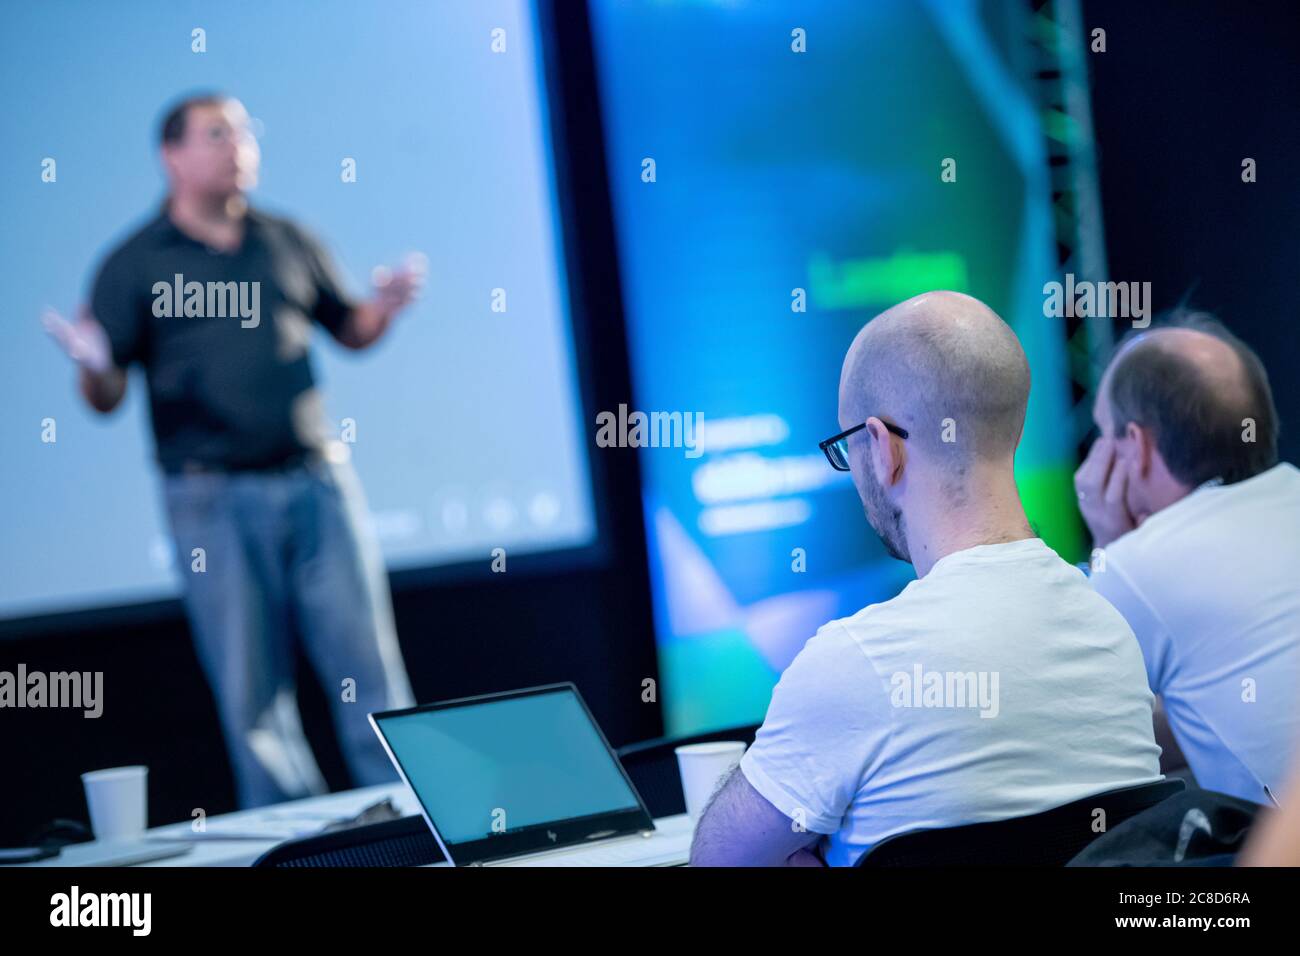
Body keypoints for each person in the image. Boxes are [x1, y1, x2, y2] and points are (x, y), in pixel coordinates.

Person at [690, 291, 1162, 866]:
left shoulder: (857, 659)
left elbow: (719, 860)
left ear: (884, 448)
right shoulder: (1112, 631)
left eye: (848, 449)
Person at [43, 93, 420, 808]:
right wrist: (93, 363)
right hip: (210, 498)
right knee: (253, 695)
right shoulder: (134, 263)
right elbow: (105, 395)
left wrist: (384, 311)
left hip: (316, 479)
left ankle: (406, 819)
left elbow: (349, 328)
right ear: (173, 155)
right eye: (218, 134)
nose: (239, 146)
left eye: (245, 132)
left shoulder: (286, 238)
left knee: (370, 670)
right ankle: (296, 844)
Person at [1075, 311, 1300, 805]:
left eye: (1104, 433)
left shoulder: (1138, 567)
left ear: (1136, 448)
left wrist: (1111, 546)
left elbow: (1082, 739)